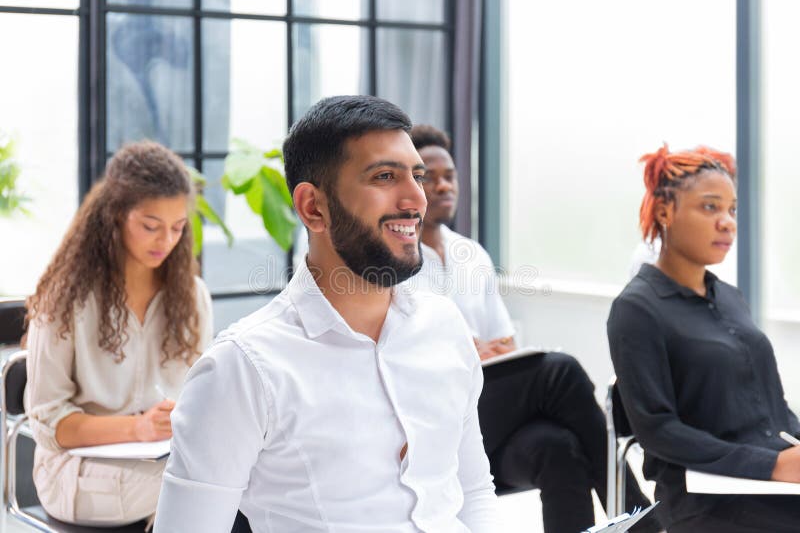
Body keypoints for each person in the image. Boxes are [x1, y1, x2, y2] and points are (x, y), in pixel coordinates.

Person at [154, 96, 499, 532]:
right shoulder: (241, 368)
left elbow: (472, 492)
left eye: (417, 175)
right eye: (385, 176)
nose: (416, 198)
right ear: (313, 208)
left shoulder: (445, 326)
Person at [408, 124, 660, 533]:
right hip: (443, 414)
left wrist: (487, 349)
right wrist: (467, 350)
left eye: (449, 176)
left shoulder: (471, 255)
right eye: (428, 177)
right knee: (560, 371)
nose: (442, 186)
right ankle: (643, 519)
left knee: (558, 447)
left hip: (490, 417)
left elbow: (503, 341)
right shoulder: (391, 261)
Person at [607, 143, 800, 532]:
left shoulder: (731, 298)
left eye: (731, 209)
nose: (727, 222)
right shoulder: (636, 309)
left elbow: (774, 411)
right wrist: (772, 465)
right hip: (703, 497)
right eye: (710, 207)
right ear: (665, 212)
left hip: (768, 479)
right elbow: (658, 430)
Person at [24, 140, 213, 527]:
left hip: (164, 460)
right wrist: (137, 428)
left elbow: (201, 392)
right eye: (150, 226)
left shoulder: (192, 297)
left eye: (178, 228)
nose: (166, 241)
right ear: (115, 215)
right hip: (74, 471)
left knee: (244, 471)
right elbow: (48, 425)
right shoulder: (66, 300)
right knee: (203, 485)